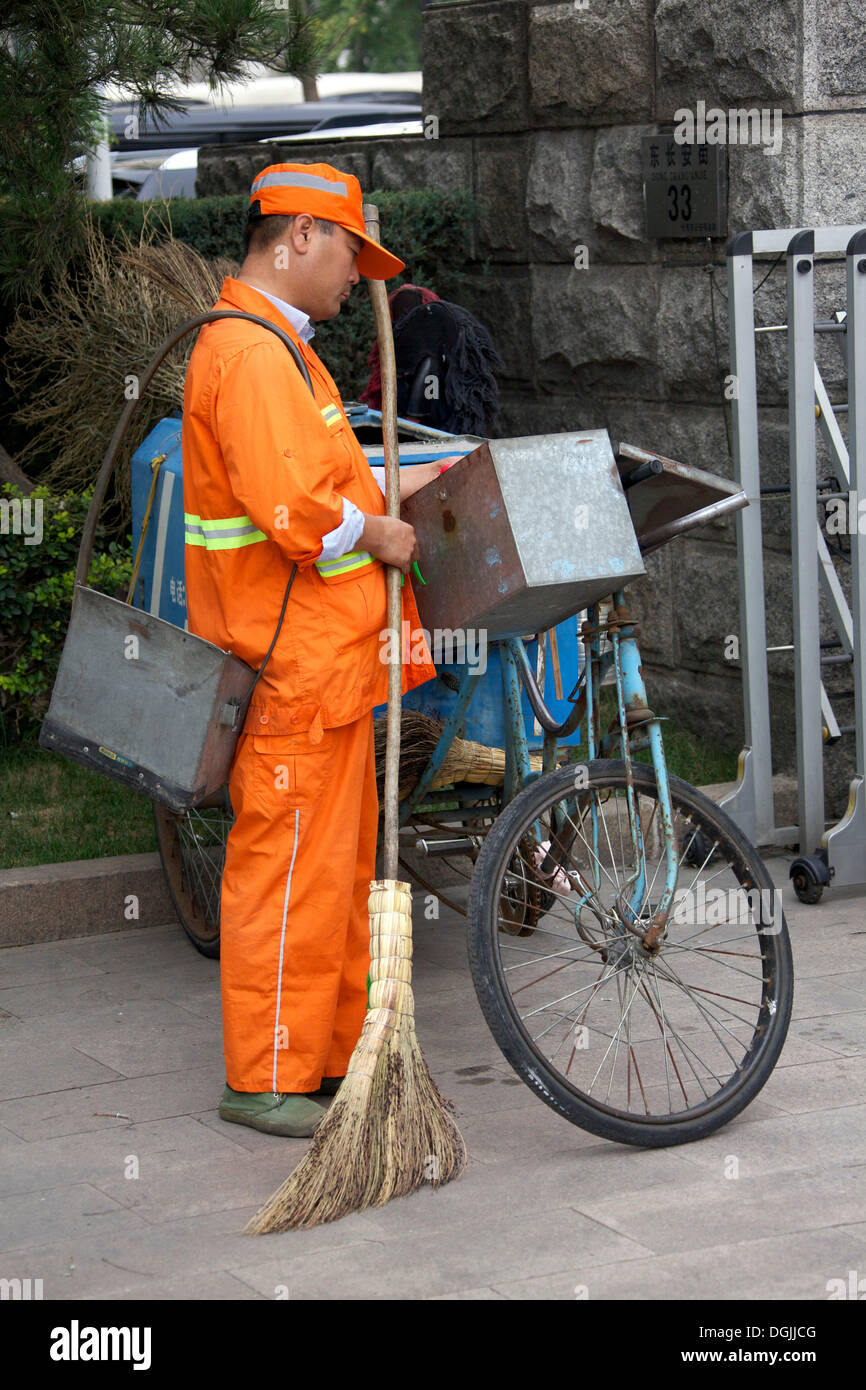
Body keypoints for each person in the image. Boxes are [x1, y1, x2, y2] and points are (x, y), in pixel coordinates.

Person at [181, 161, 449, 1137]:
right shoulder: (249, 354)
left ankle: (325, 1059)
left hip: (324, 667)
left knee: (330, 876)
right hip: (289, 666)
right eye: (346, 252)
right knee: (288, 871)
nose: (355, 278)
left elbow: (327, 483)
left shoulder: (282, 351)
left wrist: (407, 493)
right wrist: (378, 533)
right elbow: (296, 511)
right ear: (298, 238)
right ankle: (262, 1077)